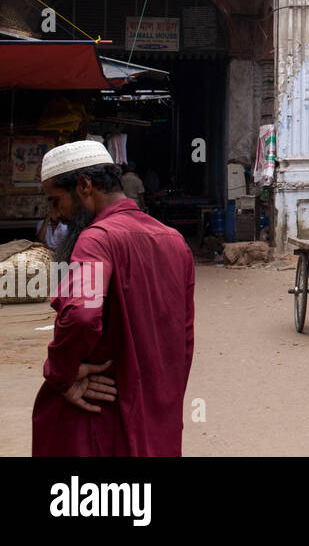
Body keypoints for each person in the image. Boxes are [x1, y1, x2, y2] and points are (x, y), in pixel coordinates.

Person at [34, 140, 195, 456]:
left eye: (56, 201)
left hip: (104, 409)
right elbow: (184, 336)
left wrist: (62, 373)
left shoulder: (96, 241)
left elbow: (81, 313)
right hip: (156, 408)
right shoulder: (174, 241)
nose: (56, 215)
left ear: (84, 185)